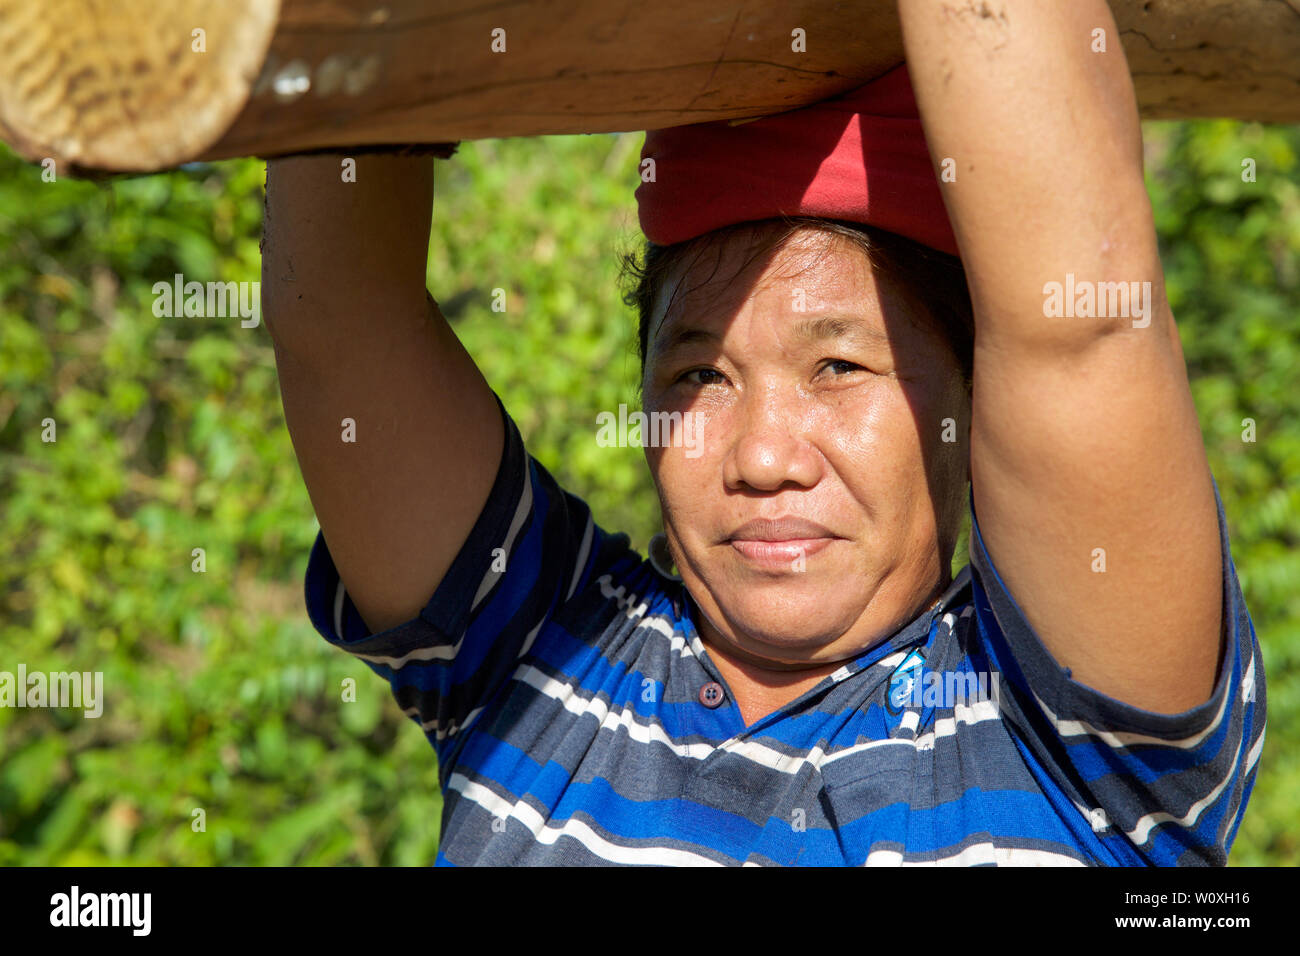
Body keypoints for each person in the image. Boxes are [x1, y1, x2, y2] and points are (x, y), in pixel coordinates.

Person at [260, 0, 1265, 865]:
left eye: (838, 366)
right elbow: (339, 324)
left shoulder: (1070, 740)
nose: (761, 456)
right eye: (699, 375)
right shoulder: (537, 655)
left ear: (972, 399)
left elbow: (1075, 327)